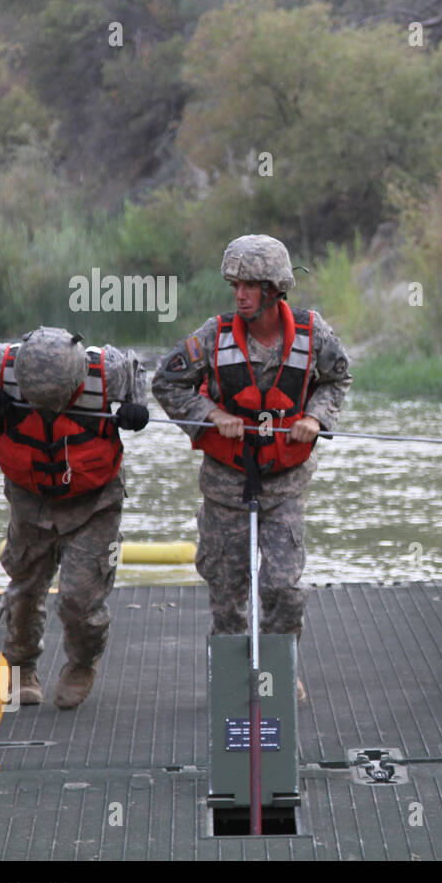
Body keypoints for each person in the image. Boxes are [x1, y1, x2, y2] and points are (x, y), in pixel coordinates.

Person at [152, 234, 351, 700]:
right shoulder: (213, 335)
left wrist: (315, 417)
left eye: (249, 286)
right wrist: (211, 416)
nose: (239, 294)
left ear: (275, 289)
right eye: (234, 285)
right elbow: (167, 382)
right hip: (226, 486)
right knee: (227, 592)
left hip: (284, 485)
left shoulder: (312, 332)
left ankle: (278, 672)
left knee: (283, 587)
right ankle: (229, 677)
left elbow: (338, 379)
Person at [0, 327, 149, 708]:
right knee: (25, 588)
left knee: (80, 599)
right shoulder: (0, 364)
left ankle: (81, 664)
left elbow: (139, 378)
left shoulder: (106, 370)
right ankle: (21, 667)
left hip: (94, 501)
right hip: (30, 498)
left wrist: (135, 409)